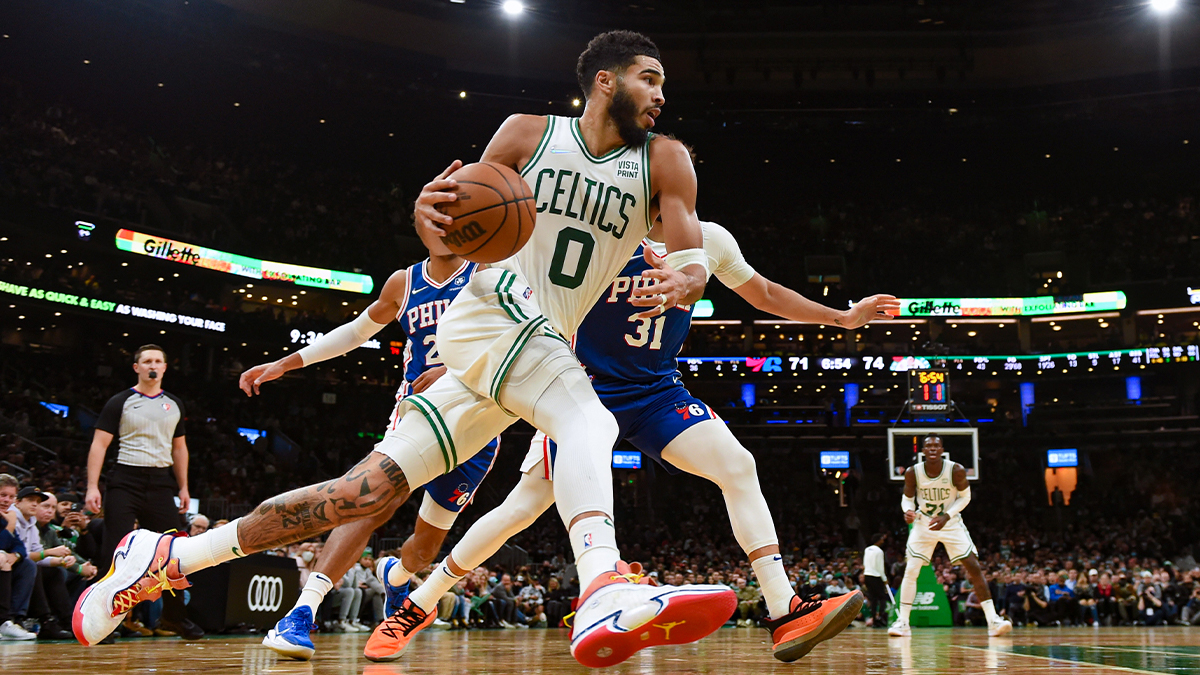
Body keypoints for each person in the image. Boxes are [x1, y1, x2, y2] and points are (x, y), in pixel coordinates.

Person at [75, 30, 735, 670]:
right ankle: (602, 585)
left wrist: (689, 276)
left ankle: (165, 557)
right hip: (491, 315)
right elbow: (452, 217)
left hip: (525, 353)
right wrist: (430, 214)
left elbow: (688, 248)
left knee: (359, 494)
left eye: (663, 84)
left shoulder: (665, 160)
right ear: (605, 80)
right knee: (590, 418)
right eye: (649, 78)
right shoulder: (526, 133)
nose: (659, 94)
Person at [399, 216, 896, 662]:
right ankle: (421, 601)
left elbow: (763, 293)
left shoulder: (710, 240)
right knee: (520, 509)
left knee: (738, 466)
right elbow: (521, 295)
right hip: (581, 389)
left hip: (657, 390)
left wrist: (844, 317)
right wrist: (457, 361)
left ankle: (783, 607)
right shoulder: (598, 233)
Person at [248, 226, 501, 659]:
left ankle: (398, 575)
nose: (448, 228)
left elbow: (516, 340)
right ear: (425, 226)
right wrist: (288, 363)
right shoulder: (404, 282)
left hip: (479, 420)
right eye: (440, 219)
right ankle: (301, 613)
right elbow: (354, 332)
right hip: (418, 414)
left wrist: (458, 369)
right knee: (366, 502)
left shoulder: (490, 273)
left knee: (423, 551)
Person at [83, 344, 204, 641]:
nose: (153, 365)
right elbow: (99, 445)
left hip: (161, 483)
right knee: (115, 551)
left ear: (164, 368)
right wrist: (91, 486)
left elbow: (180, 448)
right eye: (147, 360)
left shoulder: (174, 404)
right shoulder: (120, 401)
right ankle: (104, 621)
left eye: (158, 361)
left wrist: (184, 487)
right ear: (136, 367)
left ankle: (174, 619)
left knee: (172, 553)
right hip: (125, 479)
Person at [888, 434, 1012, 637]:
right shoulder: (913, 472)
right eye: (929, 446)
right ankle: (902, 622)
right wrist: (908, 511)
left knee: (973, 565)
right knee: (911, 569)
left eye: (937, 445)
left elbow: (965, 497)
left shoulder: (955, 469)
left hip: (950, 522)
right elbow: (907, 499)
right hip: (924, 523)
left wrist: (947, 516)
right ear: (923, 451)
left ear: (942, 449)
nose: (933, 448)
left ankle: (993, 621)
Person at [11, 486, 74, 639]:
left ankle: (67, 621)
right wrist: (48, 553)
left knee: (55, 571)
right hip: (10, 564)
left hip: (19, 565)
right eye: (31, 500)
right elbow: (22, 555)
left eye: (37, 501)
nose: (34, 504)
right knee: (32, 567)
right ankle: (42, 619)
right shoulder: (13, 518)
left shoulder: (31, 522)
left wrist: (59, 561)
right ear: (18, 502)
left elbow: (37, 553)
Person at [0, 475, 36, 640]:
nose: (7, 500)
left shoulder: (5, 516)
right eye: (3, 495)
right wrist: (11, 526)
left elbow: (19, 546)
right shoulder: (9, 520)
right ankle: (3, 621)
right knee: (2, 558)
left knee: (27, 565)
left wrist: (15, 555)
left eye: (11, 496)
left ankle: (14, 619)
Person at [863, 532, 892, 628]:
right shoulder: (879, 551)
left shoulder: (867, 550)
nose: (883, 541)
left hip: (867, 575)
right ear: (878, 540)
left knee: (873, 599)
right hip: (876, 576)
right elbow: (880, 567)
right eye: (882, 539)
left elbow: (865, 563)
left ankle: (875, 620)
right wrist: (884, 579)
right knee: (883, 597)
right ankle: (881, 617)